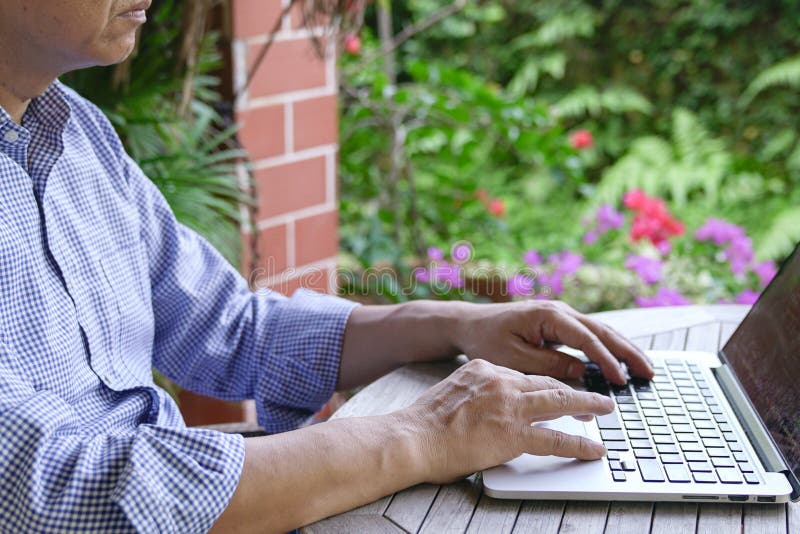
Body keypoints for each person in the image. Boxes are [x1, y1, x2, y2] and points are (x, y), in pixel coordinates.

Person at [0, 1, 654, 532]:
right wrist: (418, 438)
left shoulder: (78, 134)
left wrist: (457, 323)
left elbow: (233, 331)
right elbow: (54, 489)